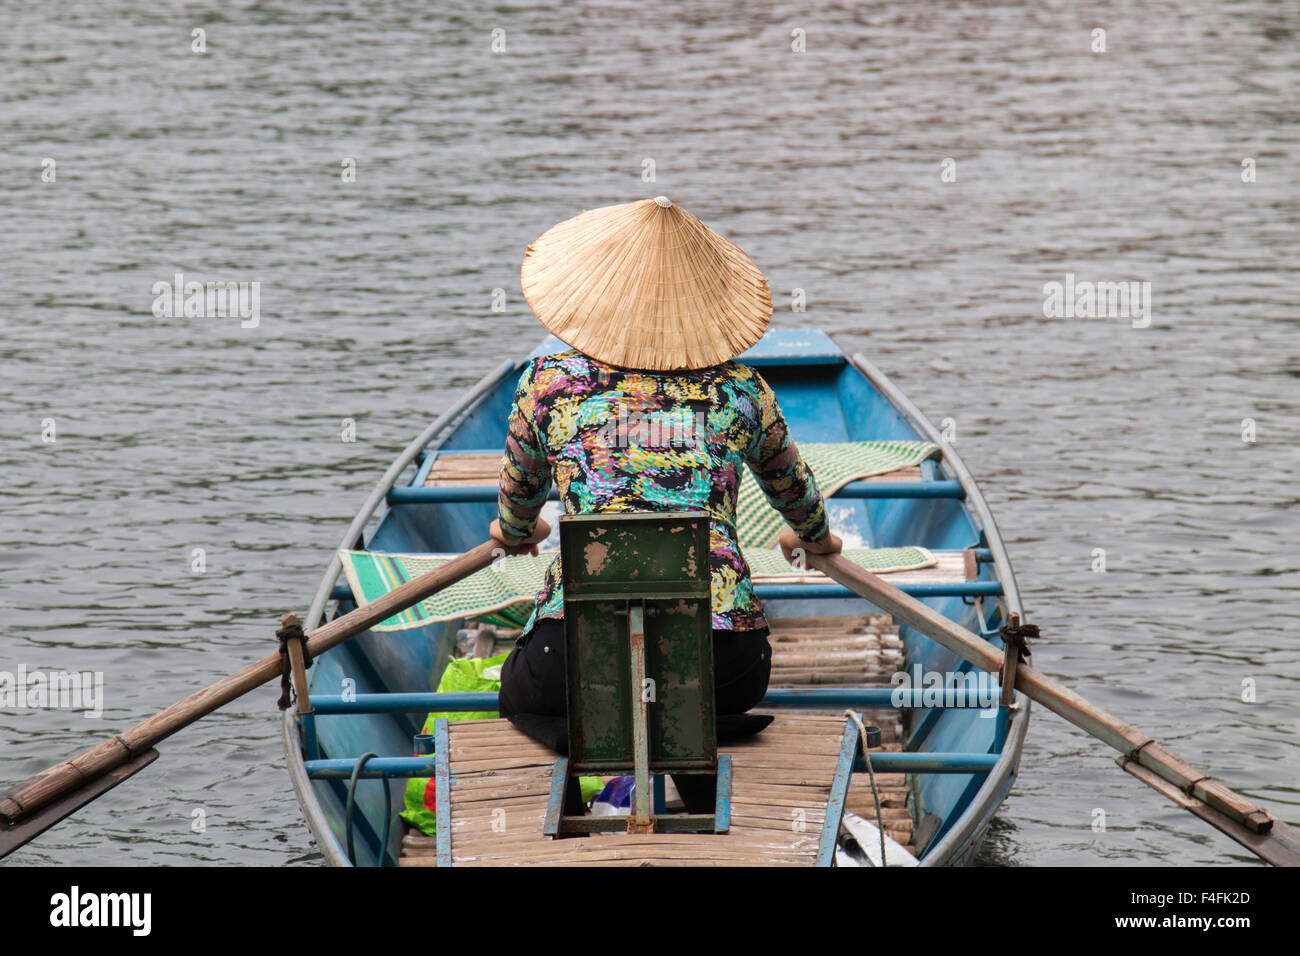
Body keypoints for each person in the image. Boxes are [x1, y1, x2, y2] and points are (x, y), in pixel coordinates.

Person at [490, 196, 843, 761]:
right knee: (698, 686)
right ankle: (684, 737)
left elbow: (517, 507)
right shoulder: (742, 389)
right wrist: (818, 541)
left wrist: (514, 532)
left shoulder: (547, 384)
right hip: (724, 664)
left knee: (515, 690)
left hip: (576, 661)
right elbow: (796, 496)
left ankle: (587, 743)